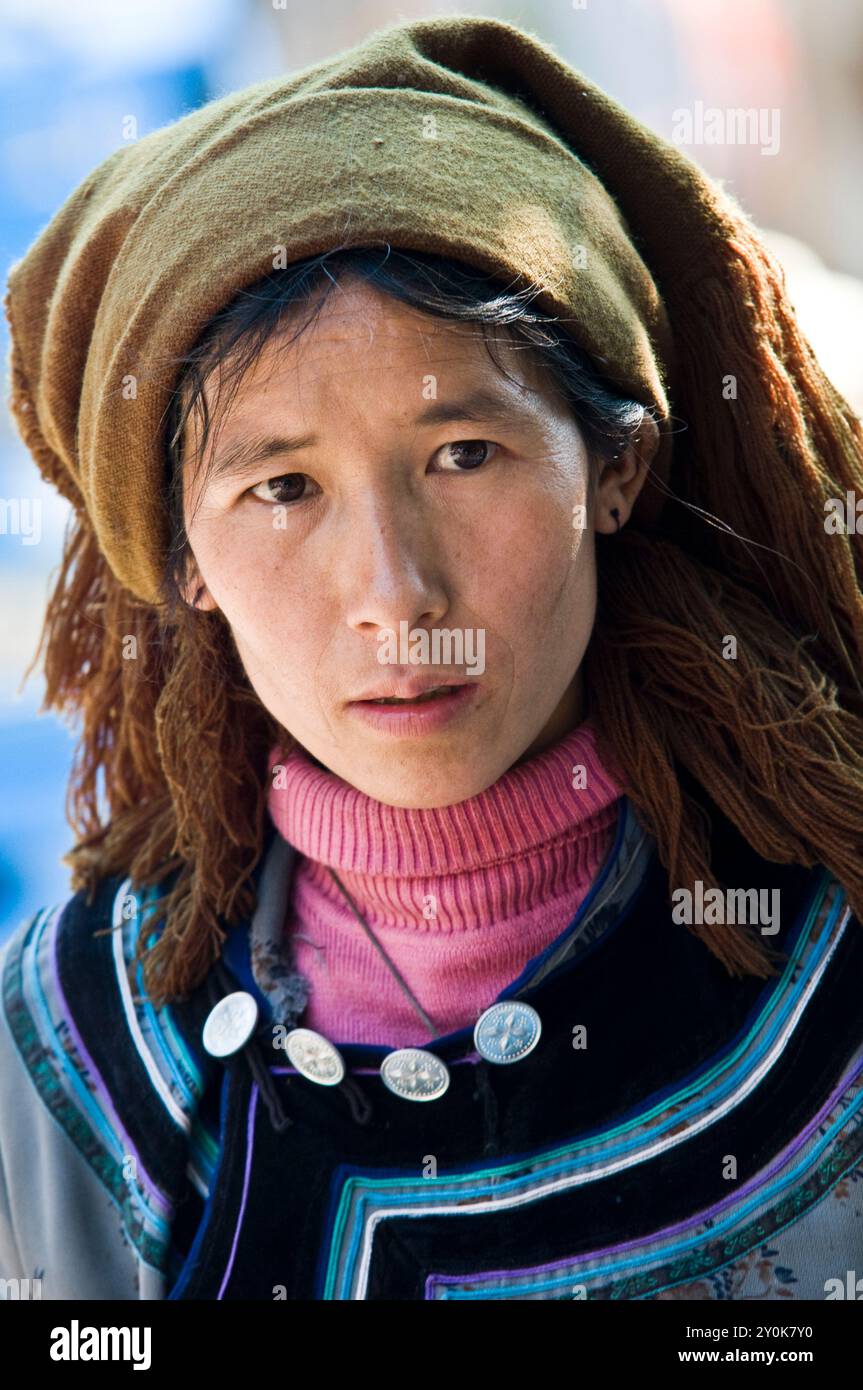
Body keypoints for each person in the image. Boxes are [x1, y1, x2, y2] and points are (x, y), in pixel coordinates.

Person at [1, 14, 862, 1303]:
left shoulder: (827, 973)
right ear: (185, 565)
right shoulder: (78, 1043)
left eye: (465, 456)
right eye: (283, 489)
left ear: (616, 464)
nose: (397, 601)